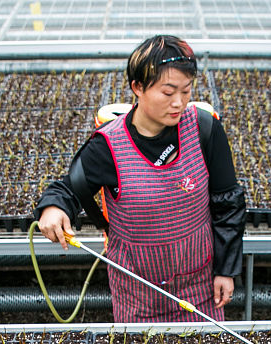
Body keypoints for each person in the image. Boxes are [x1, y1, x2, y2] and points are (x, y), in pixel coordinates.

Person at [35, 35, 246, 323]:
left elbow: (227, 202)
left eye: (186, 91)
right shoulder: (109, 146)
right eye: (168, 92)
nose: (179, 103)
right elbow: (67, 188)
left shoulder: (204, 129)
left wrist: (226, 269)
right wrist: (54, 208)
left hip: (202, 287)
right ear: (138, 88)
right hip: (138, 293)